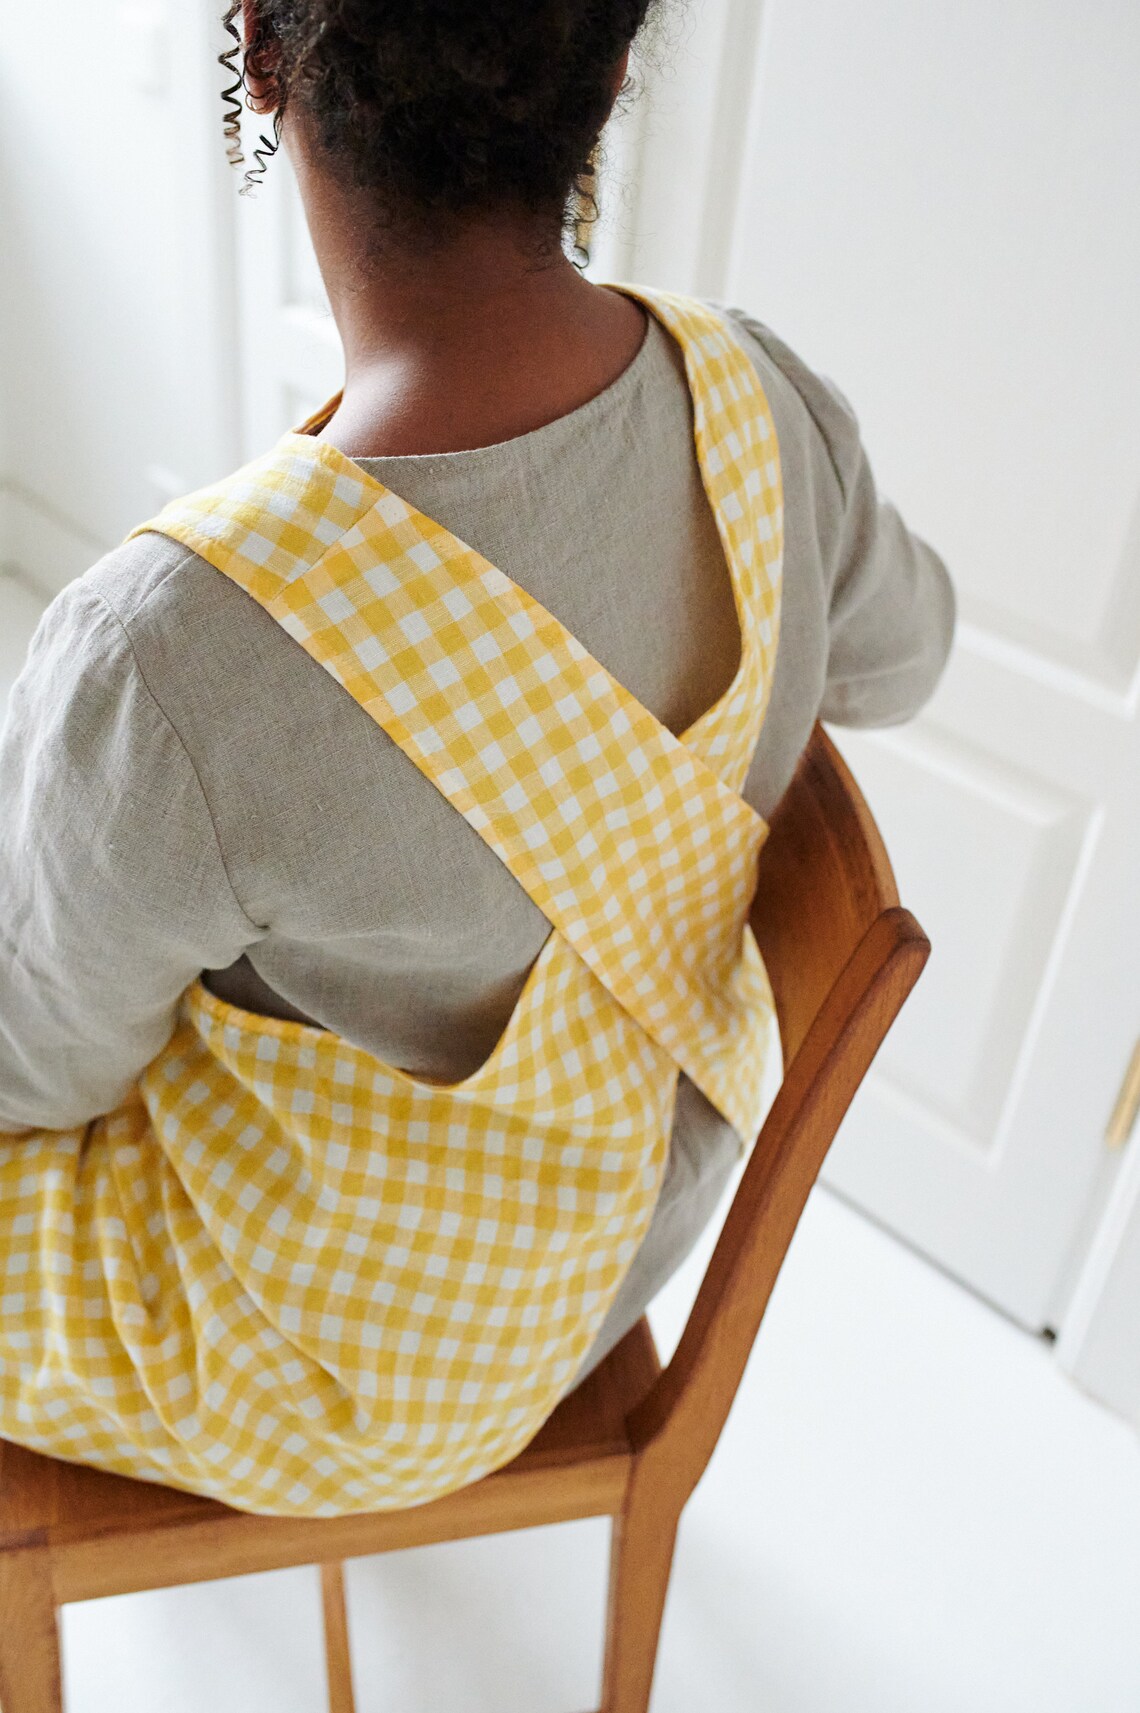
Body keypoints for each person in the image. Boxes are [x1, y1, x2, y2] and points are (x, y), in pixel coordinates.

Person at [0, 0, 954, 1515]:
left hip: (369, 1382)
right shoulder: (759, 399)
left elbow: (38, 1067)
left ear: (259, 51)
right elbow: (906, 658)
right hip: (634, 1212)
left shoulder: (175, 654)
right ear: (614, 65)